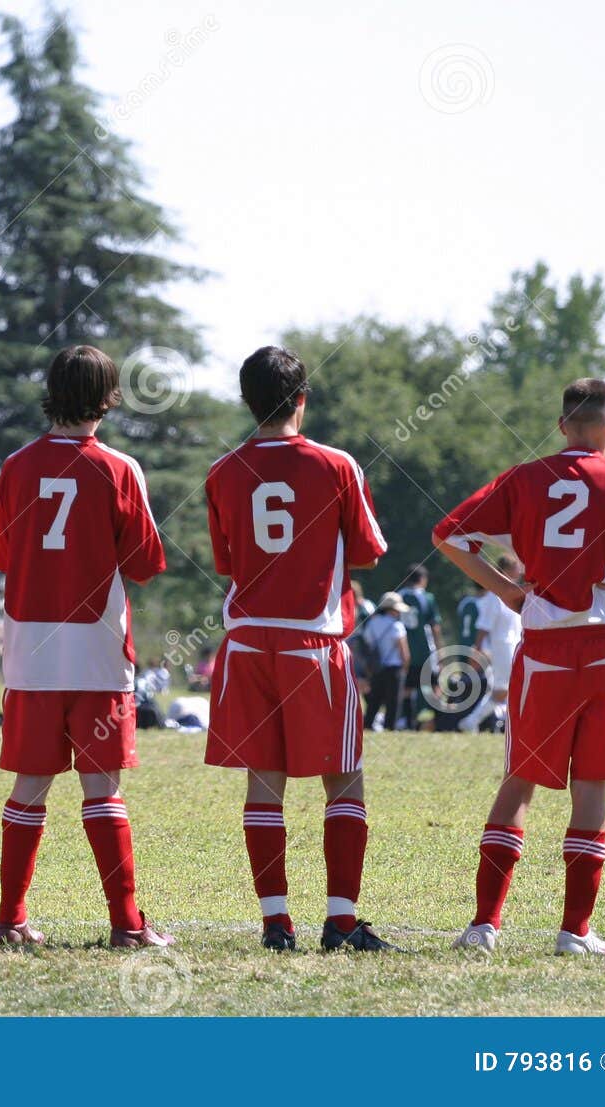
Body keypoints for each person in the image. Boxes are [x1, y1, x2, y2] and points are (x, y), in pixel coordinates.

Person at [434, 378, 605, 957]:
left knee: (518, 784)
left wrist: (507, 590)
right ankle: (574, 931)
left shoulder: (522, 479)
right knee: (591, 788)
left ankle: (485, 925)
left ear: (562, 424)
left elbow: (448, 536)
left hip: (544, 651)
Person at [204, 345, 395, 952]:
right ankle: (340, 921)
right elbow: (366, 552)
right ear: (303, 400)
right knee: (344, 779)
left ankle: (276, 923)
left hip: (246, 643)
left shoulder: (222, 471)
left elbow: (228, 562)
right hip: (312, 640)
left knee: (265, 782)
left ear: (246, 401)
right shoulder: (337, 464)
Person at [0, 345, 172, 949]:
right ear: (109, 397)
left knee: (29, 788)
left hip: (30, 654)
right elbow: (145, 564)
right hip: (98, 651)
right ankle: (127, 925)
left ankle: (11, 920)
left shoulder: (16, 466)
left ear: (51, 392)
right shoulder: (120, 468)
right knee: (103, 789)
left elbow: (6, 555)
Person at [460, 555, 524, 734]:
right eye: (516, 567)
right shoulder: (494, 595)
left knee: (510, 689)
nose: (519, 570)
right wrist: (478, 650)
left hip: (513, 646)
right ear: (507, 570)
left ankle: (506, 724)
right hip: (501, 647)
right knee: (502, 690)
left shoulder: (514, 592)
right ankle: (472, 721)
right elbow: (483, 626)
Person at [398, 565, 442, 728]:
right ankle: (439, 722)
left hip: (405, 651)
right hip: (425, 651)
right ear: (422, 579)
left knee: (407, 688)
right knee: (435, 686)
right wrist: (440, 650)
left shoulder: (399, 596)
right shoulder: (426, 597)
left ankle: (406, 721)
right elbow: (435, 626)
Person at [360, 593, 409, 733]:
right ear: (391, 609)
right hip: (394, 668)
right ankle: (390, 727)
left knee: (374, 700)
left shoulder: (372, 623)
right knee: (393, 702)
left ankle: (368, 725)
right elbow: (404, 652)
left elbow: (367, 644)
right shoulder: (397, 625)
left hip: (377, 668)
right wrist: (405, 669)